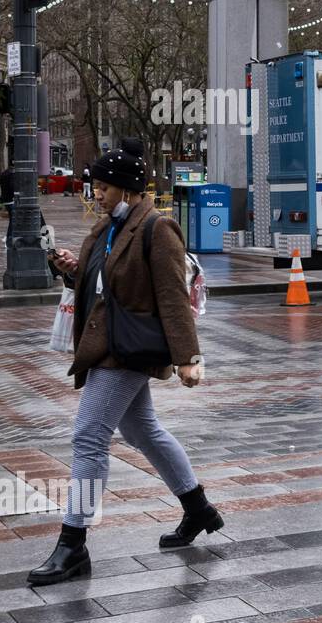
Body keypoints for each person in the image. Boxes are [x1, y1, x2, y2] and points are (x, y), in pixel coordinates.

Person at [30, 138, 219, 587]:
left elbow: (172, 298)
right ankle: (198, 509)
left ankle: (73, 543)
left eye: (103, 186)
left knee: (88, 437)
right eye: (94, 185)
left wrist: (189, 358)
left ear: (128, 189)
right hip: (109, 342)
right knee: (141, 430)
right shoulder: (106, 226)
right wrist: (73, 268)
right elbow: (104, 279)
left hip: (128, 349)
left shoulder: (157, 228)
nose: (95, 192)